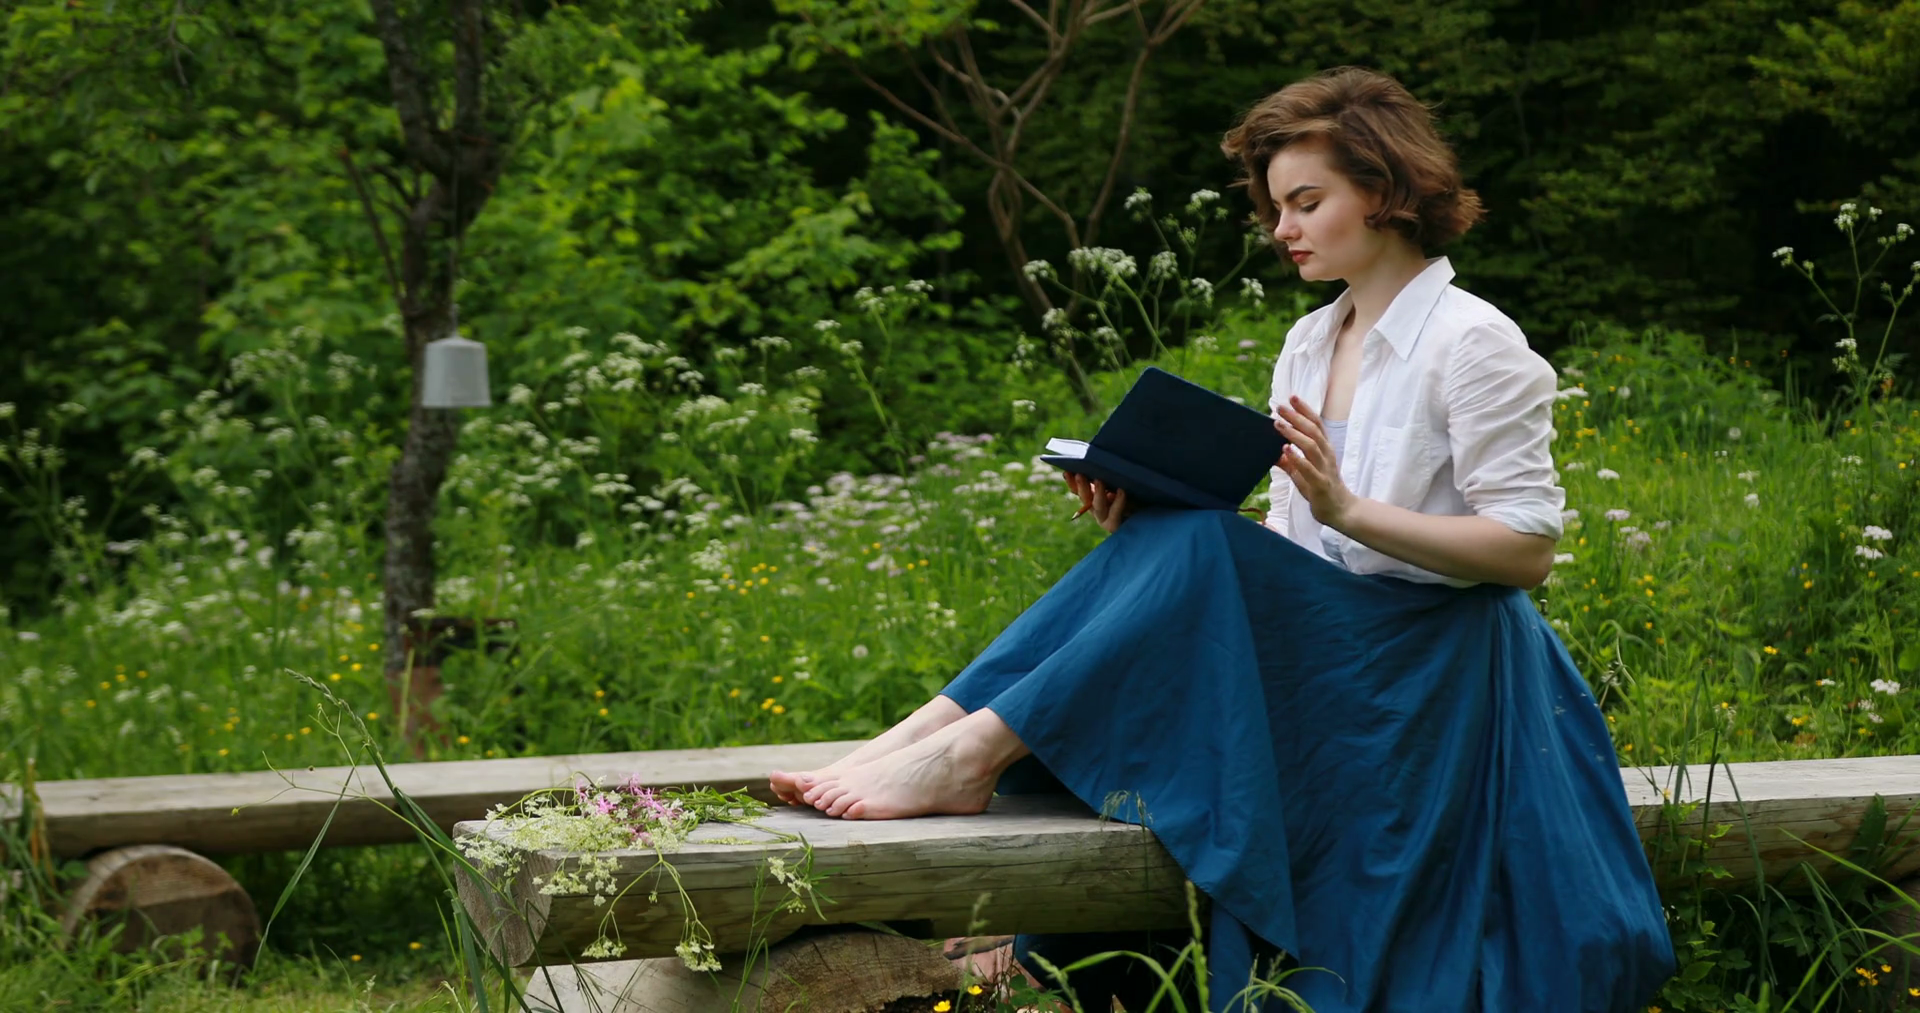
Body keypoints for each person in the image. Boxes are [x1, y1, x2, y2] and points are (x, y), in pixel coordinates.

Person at [769, 66, 1674, 1013]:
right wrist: (1149, 522)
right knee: (1178, 530)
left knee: (1199, 546)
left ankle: (961, 756)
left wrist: (1350, 509)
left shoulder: (1476, 342)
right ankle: (926, 736)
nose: (1282, 228)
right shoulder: (1312, 340)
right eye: (1276, 206)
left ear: (1386, 190)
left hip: (1434, 666)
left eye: (1305, 201)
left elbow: (1527, 551)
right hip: (1339, 645)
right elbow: (1288, 546)